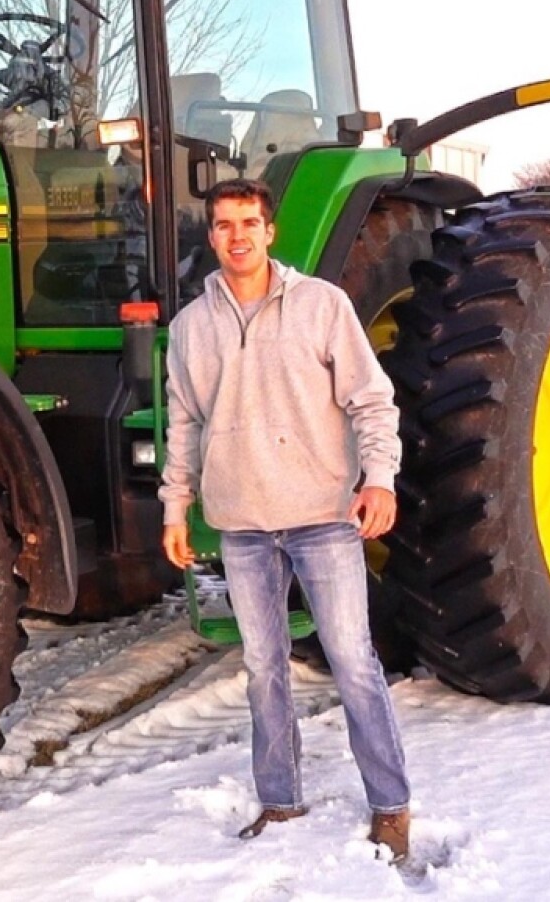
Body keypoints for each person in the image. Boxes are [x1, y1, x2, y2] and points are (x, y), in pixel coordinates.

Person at [157, 177, 413, 863]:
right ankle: (280, 797)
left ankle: (391, 807)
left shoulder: (322, 306)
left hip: (322, 517)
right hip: (241, 524)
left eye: (248, 223)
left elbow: (372, 402)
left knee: (353, 662)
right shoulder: (190, 328)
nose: (236, 237)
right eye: (222, 225)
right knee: (264, 665)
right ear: (209, 236)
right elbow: (181, 424)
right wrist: (176, 507)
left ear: (270, 231)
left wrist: (379, 480)